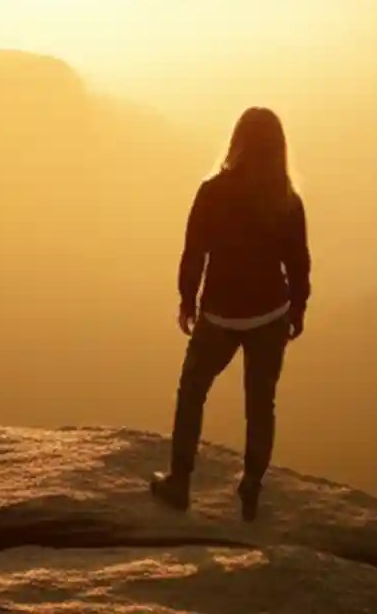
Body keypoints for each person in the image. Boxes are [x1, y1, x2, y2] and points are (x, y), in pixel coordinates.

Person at [151, 106, 311, 522]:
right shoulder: (287, 201)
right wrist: (298, 309)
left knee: (192, 392)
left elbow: (194, 255)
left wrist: (187, 301)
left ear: (236, 142)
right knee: (261, 404)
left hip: (220, 317)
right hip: (270, 315)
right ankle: (251, 488)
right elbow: (298, 263)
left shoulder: (212, 192)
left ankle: (180, 483)